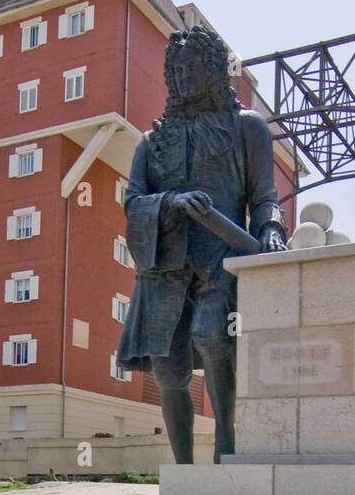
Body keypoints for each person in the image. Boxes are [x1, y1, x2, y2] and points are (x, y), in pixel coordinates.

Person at [118, 25, 288, 464]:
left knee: (213, 338)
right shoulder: (152, 140)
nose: (185, 76)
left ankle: (226, 452)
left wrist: (271, 230)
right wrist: (172, 201)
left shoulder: (246, 126)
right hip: (165, 271)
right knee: (168, 368)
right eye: (177, 69)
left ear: (214, 71)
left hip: (221, 261)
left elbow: (265, 198)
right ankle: (182, 474)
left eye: (194, 67)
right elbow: (133, 200)